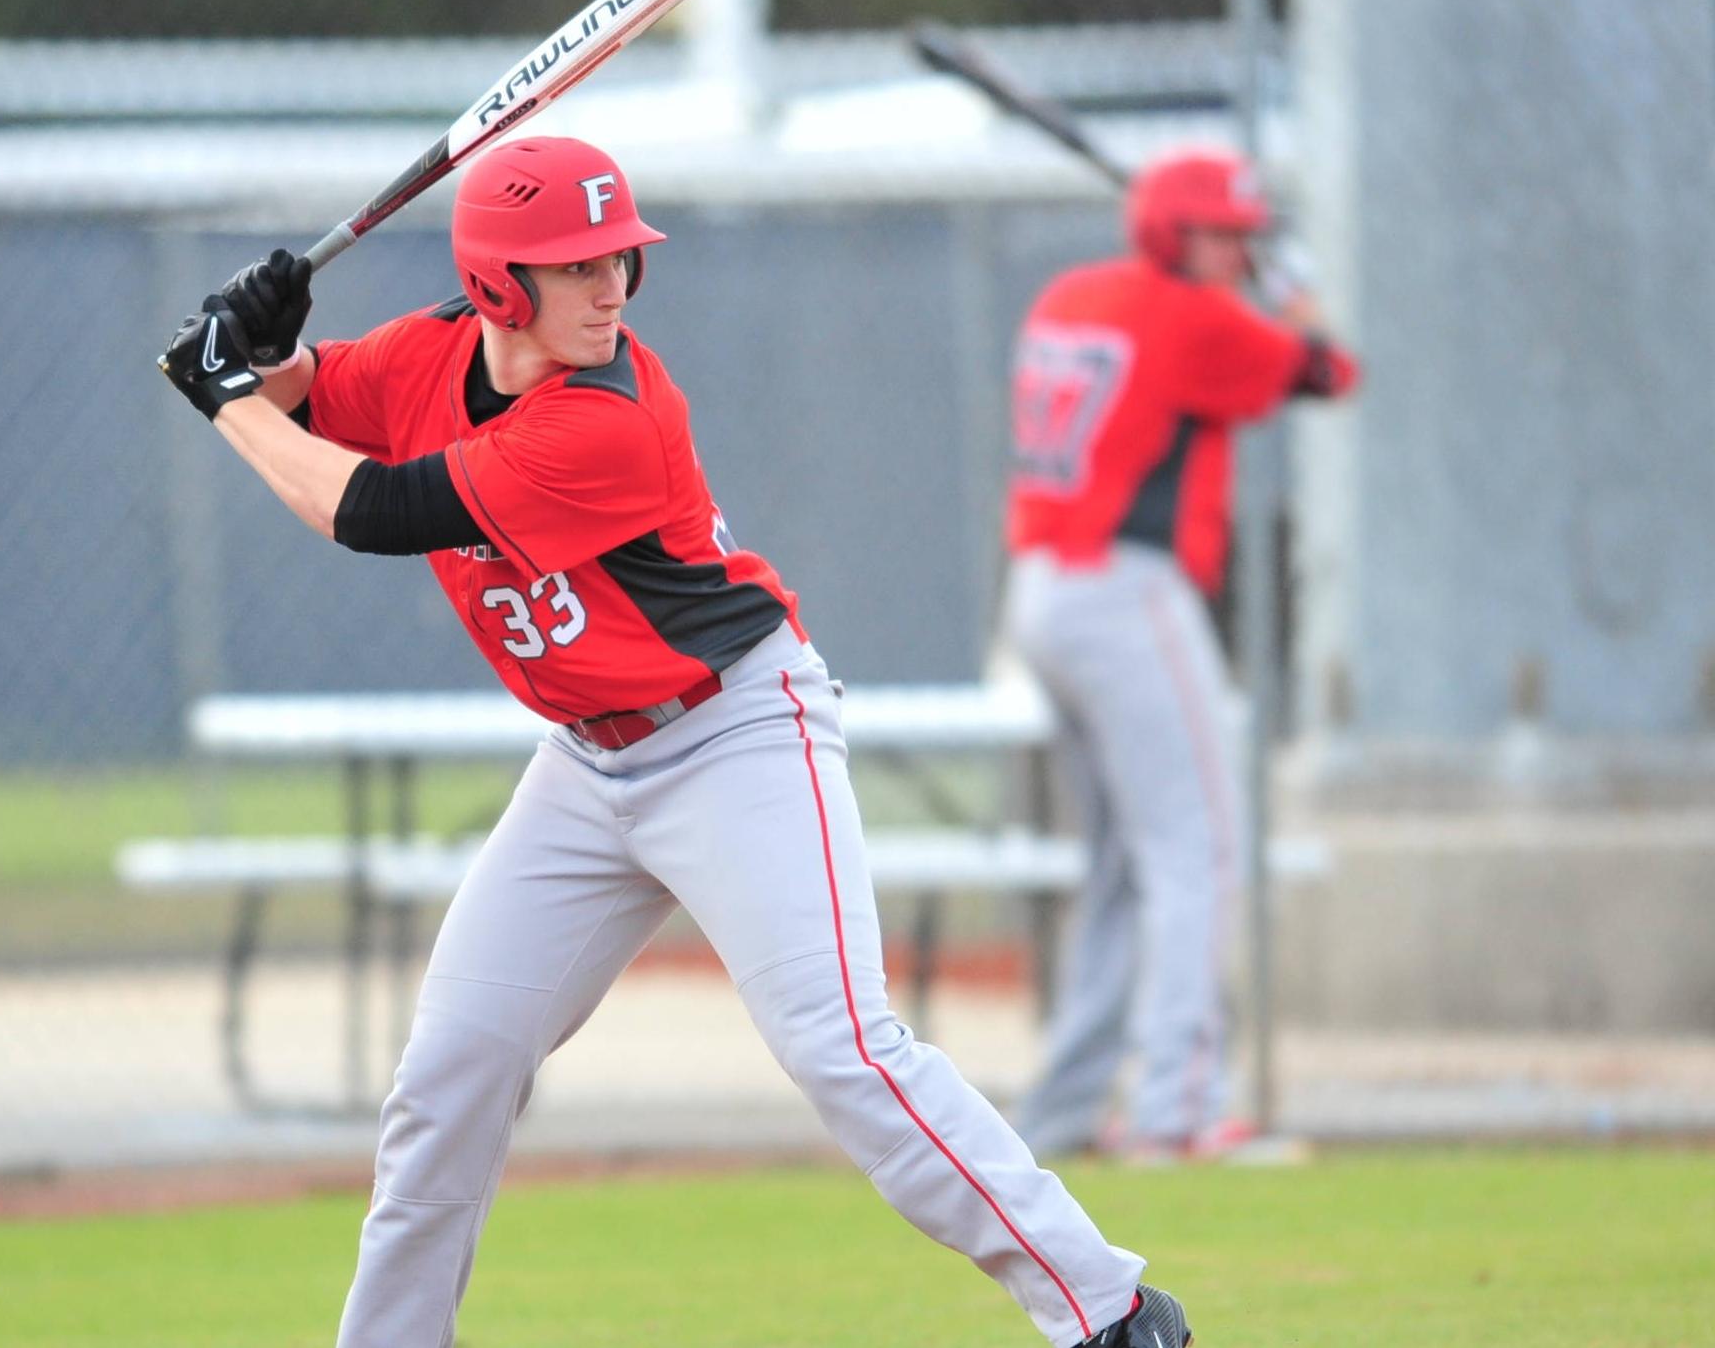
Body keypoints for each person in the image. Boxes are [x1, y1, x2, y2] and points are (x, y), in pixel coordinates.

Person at [160, 135, 1192, 1348]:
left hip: (734, 734)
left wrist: (225, 393)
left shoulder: (611, 413)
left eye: (620, 260)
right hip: (588, 764)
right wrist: (263, 357)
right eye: (579, 265)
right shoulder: (432, 352)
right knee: (448, 1079)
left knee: (846, 1050)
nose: (613, 288)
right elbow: (310, 405)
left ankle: (1109, 1310)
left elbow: (364, 507)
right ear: (497, 286)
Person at [1002, 146, 1360, 1163]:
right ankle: (1179, 1109)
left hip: (1040, 589)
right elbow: (1330, 370)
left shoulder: (1075, 290)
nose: (1237, 255)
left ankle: (1066, 1112)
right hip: (1126, 590)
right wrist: (1294, 290)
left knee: (1123, 865)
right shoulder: (1197, 318)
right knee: (1201, 845)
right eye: (1223, 236)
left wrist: (1248, 274)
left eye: (1245, 240)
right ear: (1173, 231)